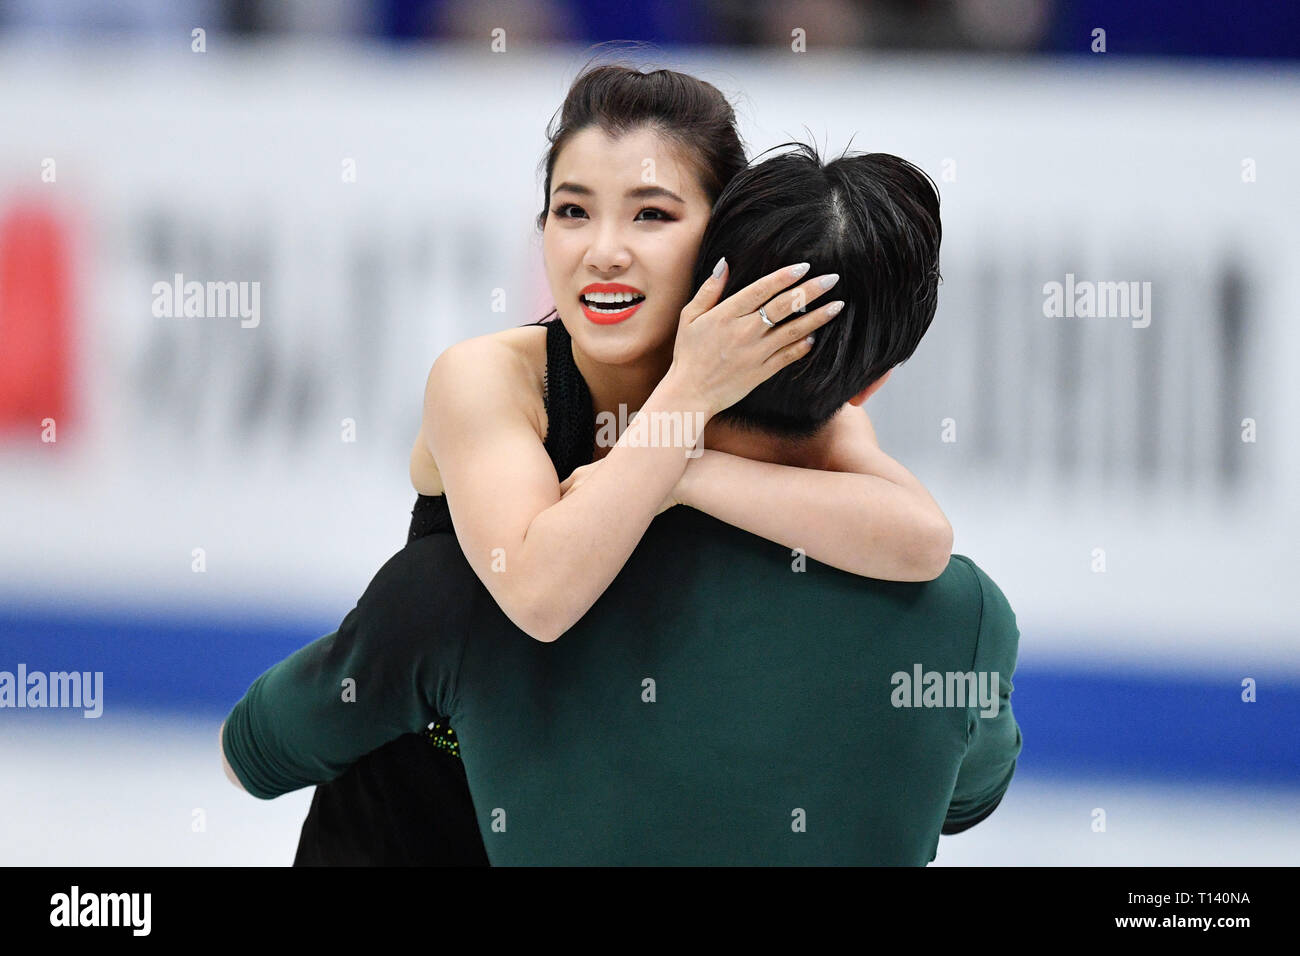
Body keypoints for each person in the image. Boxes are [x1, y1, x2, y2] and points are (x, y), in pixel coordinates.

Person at [221, 139, 1024, 866]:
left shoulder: (472, 586)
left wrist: (677, 472)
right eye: (573, 210)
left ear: (691, 312)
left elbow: (256, 750)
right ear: (877, 382)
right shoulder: (965, 618)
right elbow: (968, 790)